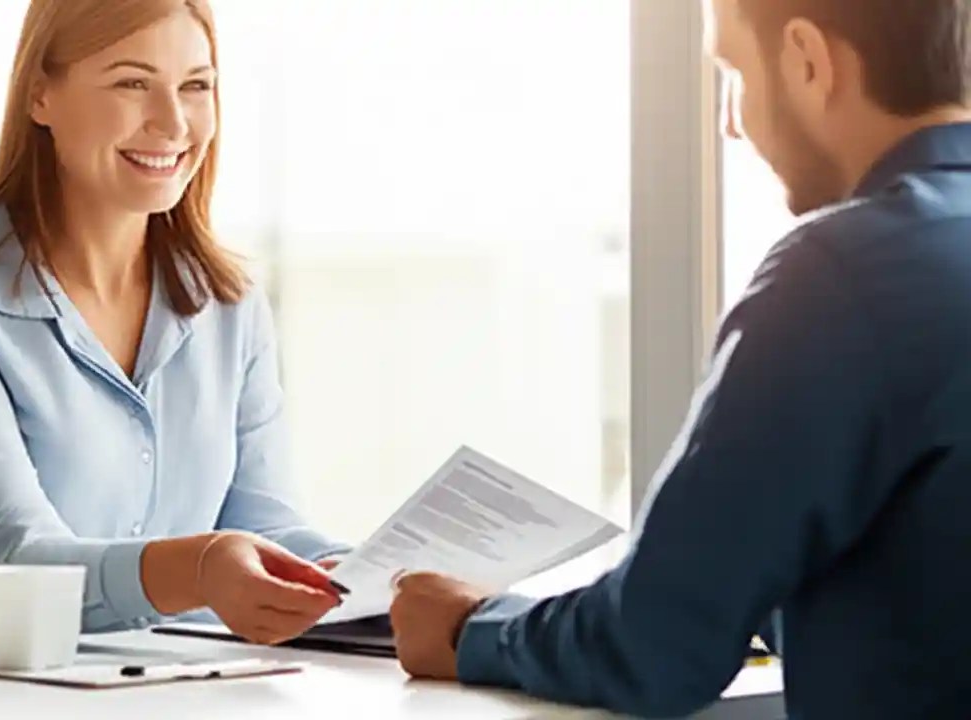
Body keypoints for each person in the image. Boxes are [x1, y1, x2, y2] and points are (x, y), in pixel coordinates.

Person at [390, 0, 971, 717]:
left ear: (806, 60)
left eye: (734, 74)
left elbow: (655, 647)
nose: (732, 121)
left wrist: (468, 629)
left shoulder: (844, 273)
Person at [0, 0, 347, 645]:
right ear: (40, 96)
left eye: (196, 86)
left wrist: (378, 578)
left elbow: (267, 528)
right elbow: (12, 556)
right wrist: (200, 568)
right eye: (132, 83)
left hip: (161, 685)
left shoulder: (229, 303)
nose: (173, 123)